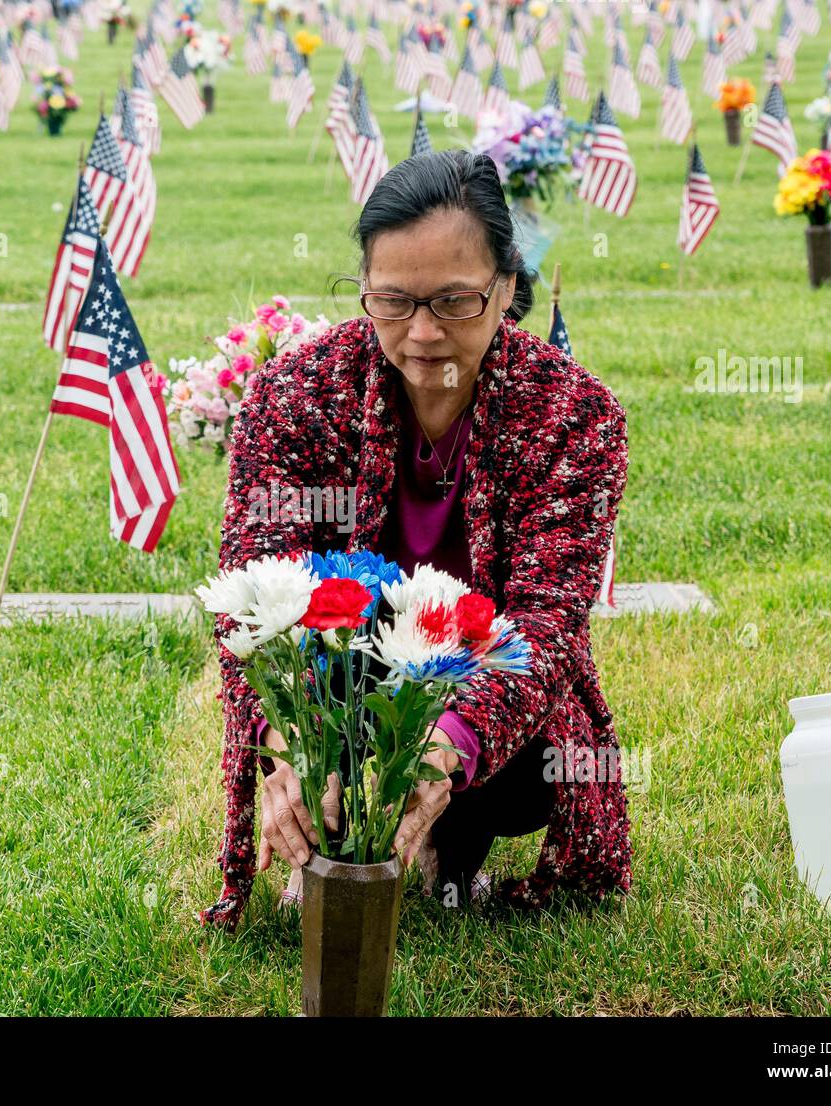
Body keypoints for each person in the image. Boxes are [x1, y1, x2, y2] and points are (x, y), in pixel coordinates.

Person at [200, 148, 632, 933]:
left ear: (506, 287)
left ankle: (450, 825)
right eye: (393, 302)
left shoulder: (574, 415)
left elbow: (548, 623)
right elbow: (254, 590)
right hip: (338, 677)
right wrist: (286, 736)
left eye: (455, 302)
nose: (423, 333)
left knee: (534, 769)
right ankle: (332, 822)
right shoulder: (295, 396)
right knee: (310, 687)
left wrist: (445, 744)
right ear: (363, 290)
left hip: (478, 681)